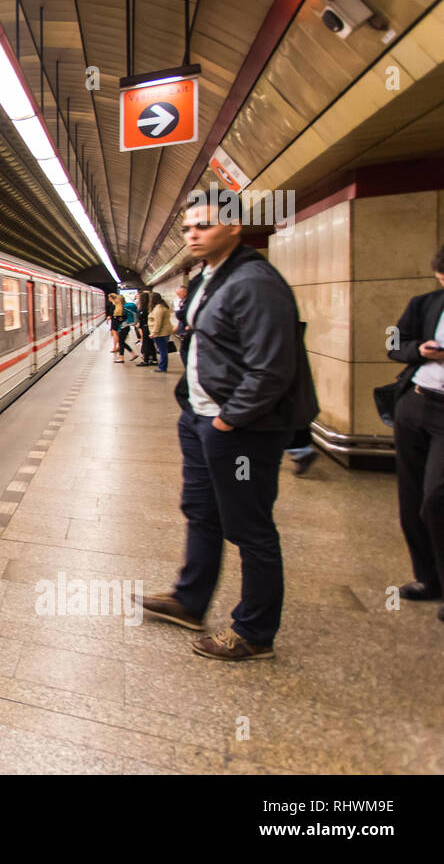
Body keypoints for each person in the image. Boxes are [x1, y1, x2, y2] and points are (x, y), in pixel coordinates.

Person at [139, 192, 318, 660]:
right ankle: (189, 601)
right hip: (200, 419)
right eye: (187, 228)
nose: (193, 235)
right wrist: (195, 412)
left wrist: (226, 421)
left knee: (249, 527)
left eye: (204, 225)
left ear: (235, 227)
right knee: (202, 511)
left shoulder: (256, 282)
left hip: (242, 430)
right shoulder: (208, 279)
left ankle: (255, 633)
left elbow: (272, 368)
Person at [386, 247, 444, 614]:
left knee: (436, 496)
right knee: (410, 497)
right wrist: (418, 350)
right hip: (416, 401)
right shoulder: (424, 304)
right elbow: (394, 344)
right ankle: (427, 578)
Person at [146, 291, 174, 373]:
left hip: (161, 333)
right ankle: (162, 366)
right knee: (162, 350)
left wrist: (154, 333)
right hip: (163, 332)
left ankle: (162, 367)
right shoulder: (162, 306)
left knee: (162, 351)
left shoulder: (159, 309)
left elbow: (158, 323)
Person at [135, 290, 156, 366]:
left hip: (146, 327)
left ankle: (146, 360)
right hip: (148, 326)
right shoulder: (150, 306)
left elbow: (142, 317)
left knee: (146, 343)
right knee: (150, 343)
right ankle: (154, 359)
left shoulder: (144, 308)